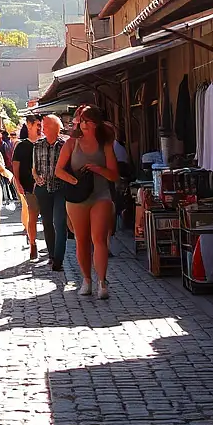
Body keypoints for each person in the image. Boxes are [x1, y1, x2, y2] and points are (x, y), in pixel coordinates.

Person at [52, 105, 120, 299]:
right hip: (77, 196)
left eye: (88, 121)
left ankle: (102, 282)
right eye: (82, 121)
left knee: (98, 239)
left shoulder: (105, 144)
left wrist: (98, 169)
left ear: (96, 124)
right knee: (81, 240)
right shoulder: (72, 143)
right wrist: (75, 181)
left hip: (101, 194)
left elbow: (114, 175)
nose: (84, 124)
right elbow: (59, 171)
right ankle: (86, 280)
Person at [30, 114, 68, 273]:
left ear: (54, 128)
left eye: (44, 125)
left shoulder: (65, 144)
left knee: (59, 222)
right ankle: (52, 255)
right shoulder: (38, 145)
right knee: (47, 223)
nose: (41, 128)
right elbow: (34, 168)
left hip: (61, 188)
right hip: (43, 188)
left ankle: (58, 260)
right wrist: (36, 177)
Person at [11, 118, 40, 261]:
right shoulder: (21, 146)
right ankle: (33, 244)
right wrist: (18, 183)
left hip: (45, 186)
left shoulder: (44, 144)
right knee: (33, 216)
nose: (40, 128)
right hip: (29, 186)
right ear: (29, 125)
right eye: (37, 125)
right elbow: (15, 166)